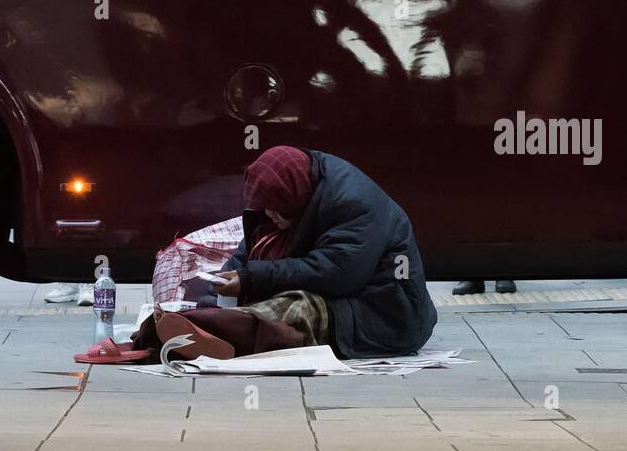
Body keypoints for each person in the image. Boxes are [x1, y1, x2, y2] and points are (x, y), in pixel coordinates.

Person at [114, 145, 437, 363]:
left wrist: (251, 279)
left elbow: (338, 274)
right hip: (337, 296)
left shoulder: (354, 204)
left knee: (300, 307)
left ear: (297, 198)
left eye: (279, 211)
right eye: (266, 210)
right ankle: (188, 326)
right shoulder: (288, 194)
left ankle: (198, 331)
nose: (272, 216)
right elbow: (251, 246)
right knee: (280, 303)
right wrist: (230, 275)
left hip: (382, 313)